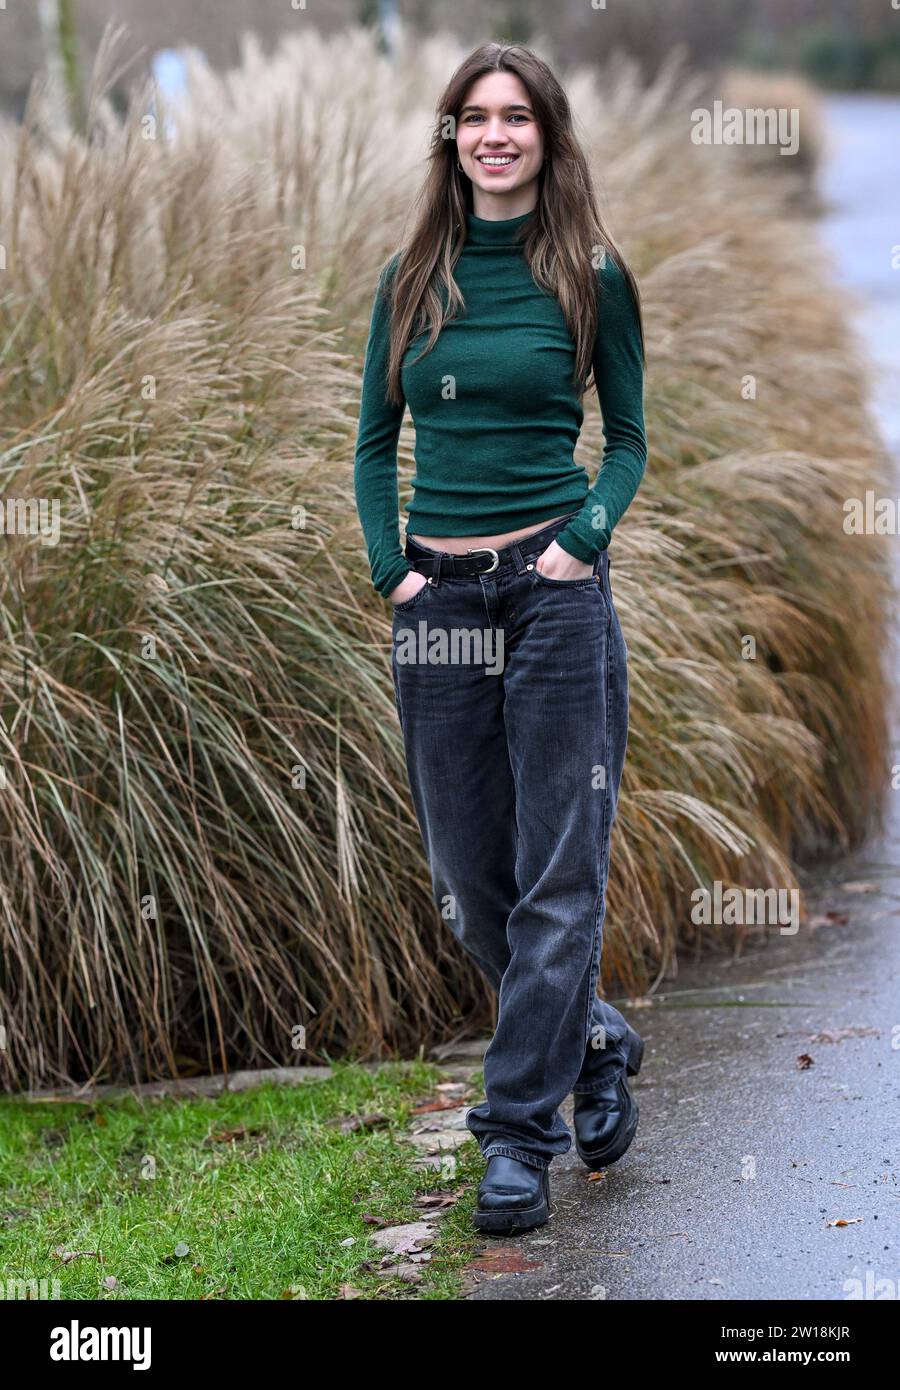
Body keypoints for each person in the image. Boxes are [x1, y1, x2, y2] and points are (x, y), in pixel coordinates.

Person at [353, 41, 648, 1236]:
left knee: (557, 874)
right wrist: (395, 573)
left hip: (554, 598)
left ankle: (517, 1136)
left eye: (515, 116)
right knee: (473, 887)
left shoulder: (590, 272)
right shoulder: (411, 277)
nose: (493, 134)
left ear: (546, 135)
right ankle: (594, 1036)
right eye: (473, 116)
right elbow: (375, 446)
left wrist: (579, 538)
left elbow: (626, 438)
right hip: (440, 604)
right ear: (451, 138)